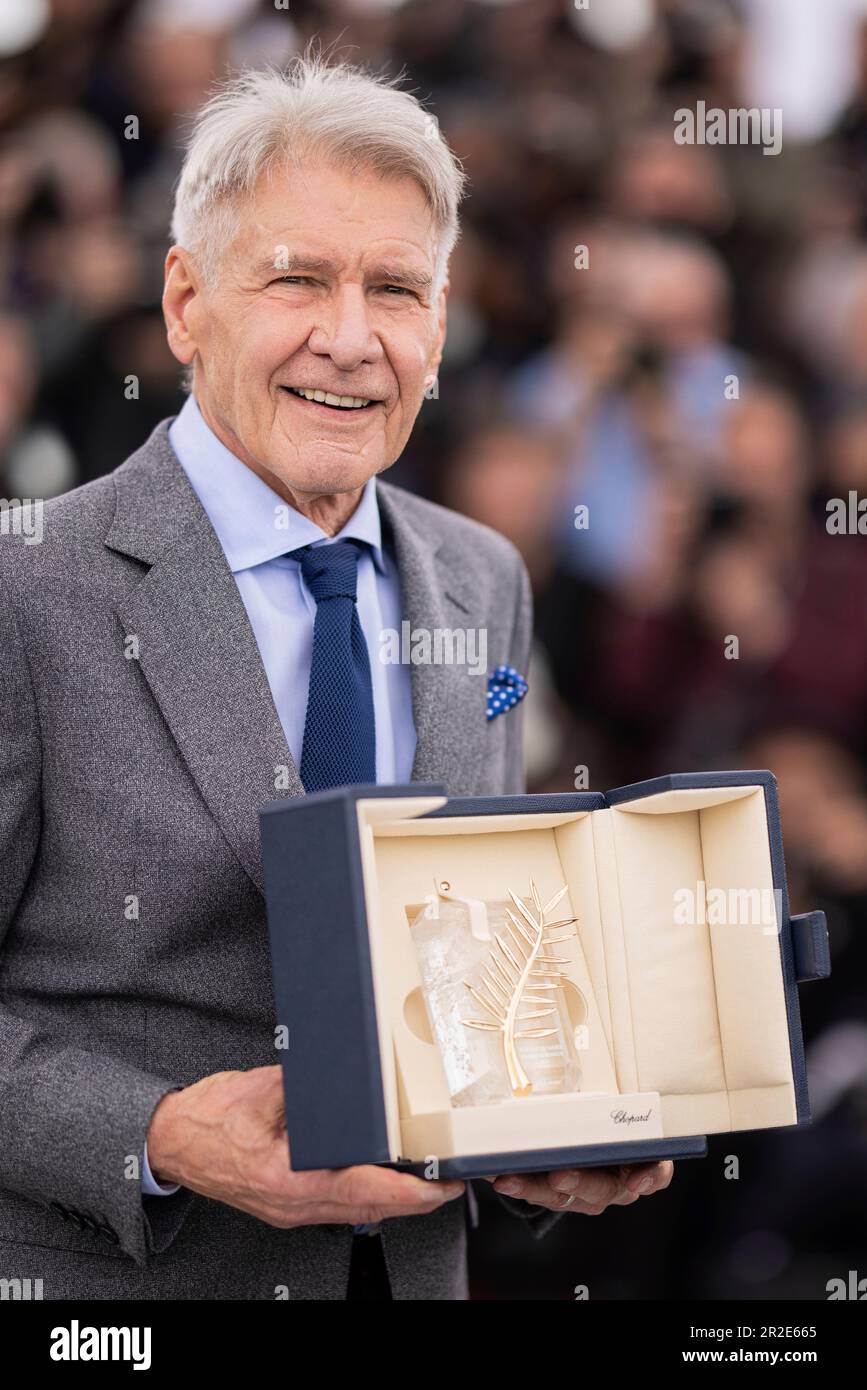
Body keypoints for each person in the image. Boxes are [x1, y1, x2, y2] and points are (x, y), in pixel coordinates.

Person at [0, 52, 671, 1302]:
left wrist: (547, 1128)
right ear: (187, 303)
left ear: (442, 320)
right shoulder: (27, 590)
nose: (351, 338)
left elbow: (471, 964)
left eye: (397, 290)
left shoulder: (483, 580)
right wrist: (155, 1135)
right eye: (298, 278)